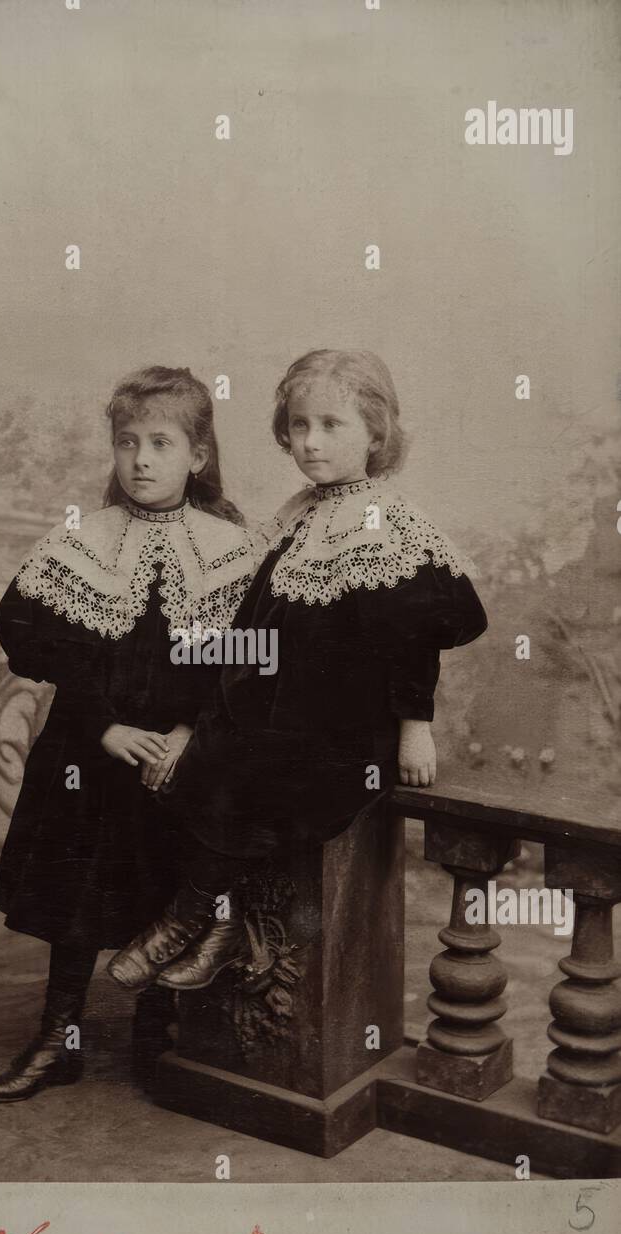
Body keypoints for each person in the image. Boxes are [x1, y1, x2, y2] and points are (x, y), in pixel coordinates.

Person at [107, 348, 489, 993]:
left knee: (251, 764)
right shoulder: (298, 514)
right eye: (300, 426)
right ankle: (223, 929)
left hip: (343, 726)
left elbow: (417, 635)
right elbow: (248, 631)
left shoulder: (385, 521)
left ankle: (187, 920)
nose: (310, 443)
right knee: (200, 755)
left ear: (376, 432)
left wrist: (414, 727)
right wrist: (183, 719)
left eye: (331, 426)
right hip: (272, 708)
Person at [0, 365, 257, 1101]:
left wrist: (184, 731)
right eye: (127, 442)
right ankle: (58, 1038)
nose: (140, 459)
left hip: (176, 759)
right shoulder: (84, 540)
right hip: (87, 752)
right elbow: (26, 634)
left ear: (196, 456)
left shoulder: (229, 548)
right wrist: (102, 726)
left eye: (160, 443)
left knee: (163, 895)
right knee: (77, 896)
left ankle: (155, 1039)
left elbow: (244, 661)